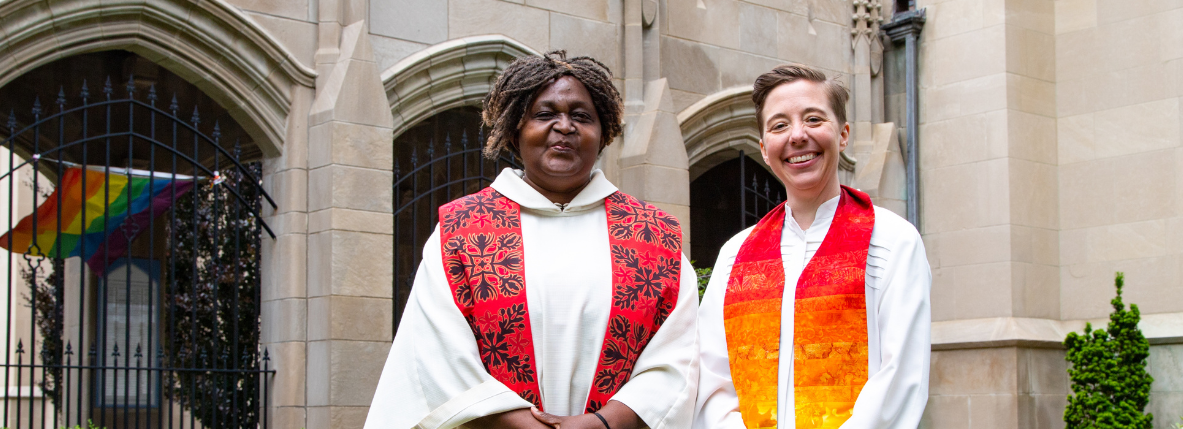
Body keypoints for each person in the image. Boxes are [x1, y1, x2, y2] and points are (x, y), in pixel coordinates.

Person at [364, 51, 700, 429]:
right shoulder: (462, 229)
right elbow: (432, 349)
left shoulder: (652, 234)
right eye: (545, 114)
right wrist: (517, 422)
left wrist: (604, 423)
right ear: (514, 130)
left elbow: (680, 353)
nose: (565, 126)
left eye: (581, 116)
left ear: (603, 132)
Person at [693, 64, 931, 429]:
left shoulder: (891, 241)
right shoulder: (735, 255)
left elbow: (901, 376)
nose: (797, 136)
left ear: (844, 134)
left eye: (814, 119)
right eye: (779, 125)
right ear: (764, 148)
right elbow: (712, 380)